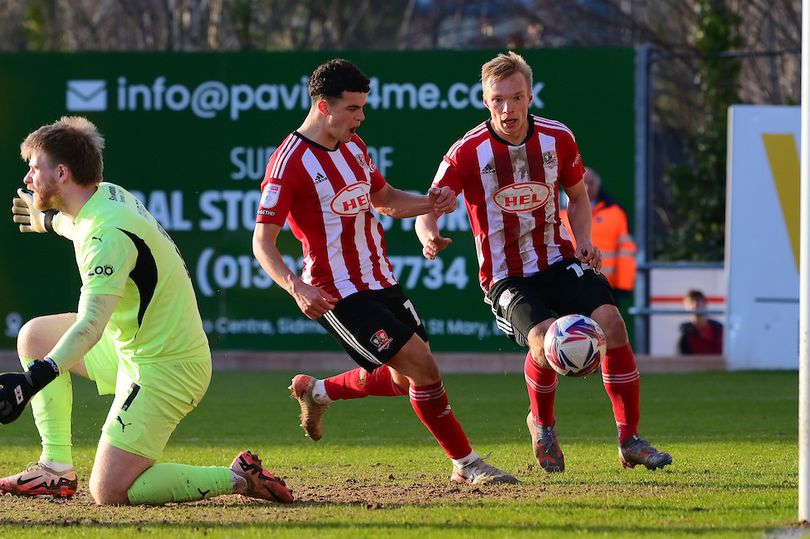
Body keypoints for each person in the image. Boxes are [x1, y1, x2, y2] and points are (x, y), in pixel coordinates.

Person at [0, 116, 293, 505]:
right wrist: (50, 221)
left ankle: (237, 478)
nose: (27, 178)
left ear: (62, 172)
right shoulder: (106, 197)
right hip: (133, 352)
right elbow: (80, 225)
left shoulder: (106, 237)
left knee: (109, 491)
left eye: (34, 168)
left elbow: (89, 327)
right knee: (35, 336)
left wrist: (33, 380)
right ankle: (55, 470)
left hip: (169, 368)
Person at [252, 59, 516, 486]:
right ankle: (467, 464)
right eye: (353, 108)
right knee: (425, 368)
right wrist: (296, 286)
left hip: (381, 280)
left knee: (401, 380)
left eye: (362, 108)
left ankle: (319, 392)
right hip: (337, 291)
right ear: (323, 106)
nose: (361, 117)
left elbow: (386, 199)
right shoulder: (289, 162)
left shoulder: (354, 147)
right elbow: (262, 242)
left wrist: (433, 203)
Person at [415, 51, 672, 473]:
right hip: (505, 275)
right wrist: (428, 235)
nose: (507, 108)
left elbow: (579, 196)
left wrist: (584, 239)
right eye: (497, 99)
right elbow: (430, 204)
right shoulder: (468, 151)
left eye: (515, 97)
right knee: (544, 338)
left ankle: (629, 439)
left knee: (612, 323)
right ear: (485, 100)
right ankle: (543, 424)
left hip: (556, 258)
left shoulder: (558, 138)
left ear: (530, 96)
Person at [560, 167, 637, 299]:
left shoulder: (615, 212)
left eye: (590, 183)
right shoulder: (559, 211)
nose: (587, 187)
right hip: (568, 283)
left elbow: (626, 250)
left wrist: (624, 285)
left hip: (605, 285)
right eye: (583, 183)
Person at [678, 289, 723, 355]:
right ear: (685, 306)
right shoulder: (685, 336)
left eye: (699, 300)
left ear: (705, 303)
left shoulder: (719, 330)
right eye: (691, 301)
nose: (695, 305)